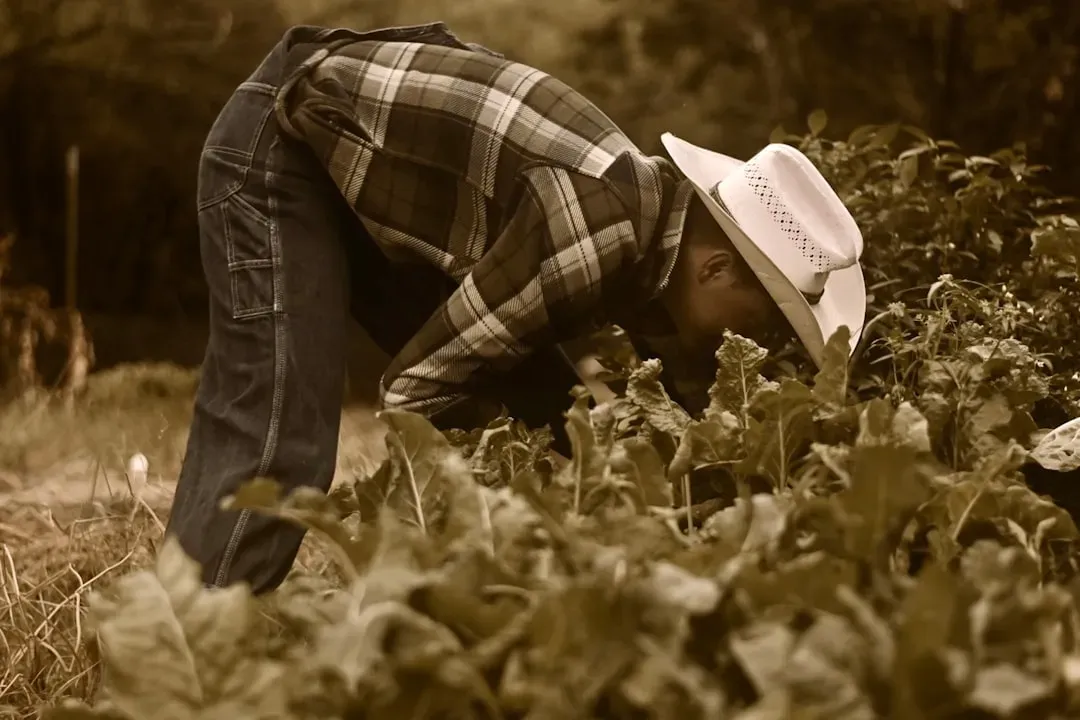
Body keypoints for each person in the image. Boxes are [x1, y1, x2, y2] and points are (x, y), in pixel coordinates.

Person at [165, 22, 868, 594]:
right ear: (715, 267)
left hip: (367, 174)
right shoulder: (598, 228)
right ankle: (176, 659)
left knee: (548, 412)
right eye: (760, 319)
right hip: (282, 143)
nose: (752, 341)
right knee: (282, 433)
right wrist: (484, 542)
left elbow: (538, 381)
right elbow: (414, 394)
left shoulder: (644, 221)